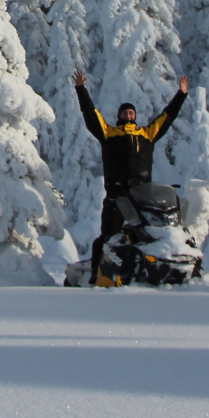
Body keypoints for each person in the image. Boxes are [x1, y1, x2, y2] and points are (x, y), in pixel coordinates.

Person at [73, 69, 189, 280]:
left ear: (135, 116)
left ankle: (151, 270)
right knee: (108, 235)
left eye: (131, 113)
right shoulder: (109, 134)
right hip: (117, 194)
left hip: (142, 196)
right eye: (125, 113)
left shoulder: (147, 134)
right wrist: (81, 90)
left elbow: (167, 117)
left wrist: (181, 95)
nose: (129, 115)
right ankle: (96, 274)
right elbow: (91, 115)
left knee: (148, 235)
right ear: (119, 116)